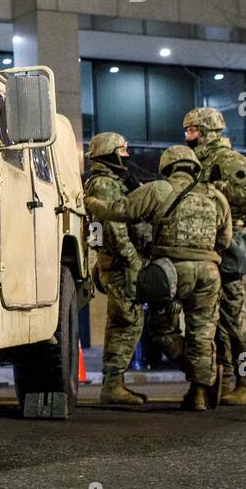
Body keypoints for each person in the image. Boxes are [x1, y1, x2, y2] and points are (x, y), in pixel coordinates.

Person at [85, 145, 231, 412]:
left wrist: (91, 203)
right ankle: (200, 391)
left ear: (167, 167)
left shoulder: (157, 189)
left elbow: (120, 211)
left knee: (161, 328)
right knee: (202, 333)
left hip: (170, 272)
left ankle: (200, 373)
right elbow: (225, 239)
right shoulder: (217, 196)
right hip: (209, 273)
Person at [183, 106, 246, 406]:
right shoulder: (200, 160)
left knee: (234, 317)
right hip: (210, 244)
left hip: (229, 244)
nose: (188, 136)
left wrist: (218, 189)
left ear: (205, 131)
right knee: (214, 319)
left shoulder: (228, 159)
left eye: (192, 130)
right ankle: (225, 380)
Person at [83, 132, 147, 406]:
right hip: (122, 264)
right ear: (110, 153)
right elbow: (113, 228)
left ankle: (114, 383)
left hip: (116, 262)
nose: (127, 156)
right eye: (122, 150)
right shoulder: (106, 185)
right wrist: (134, 260)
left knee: (124, 321)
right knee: (126, 322)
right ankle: (113, 385)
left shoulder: (107, 182)